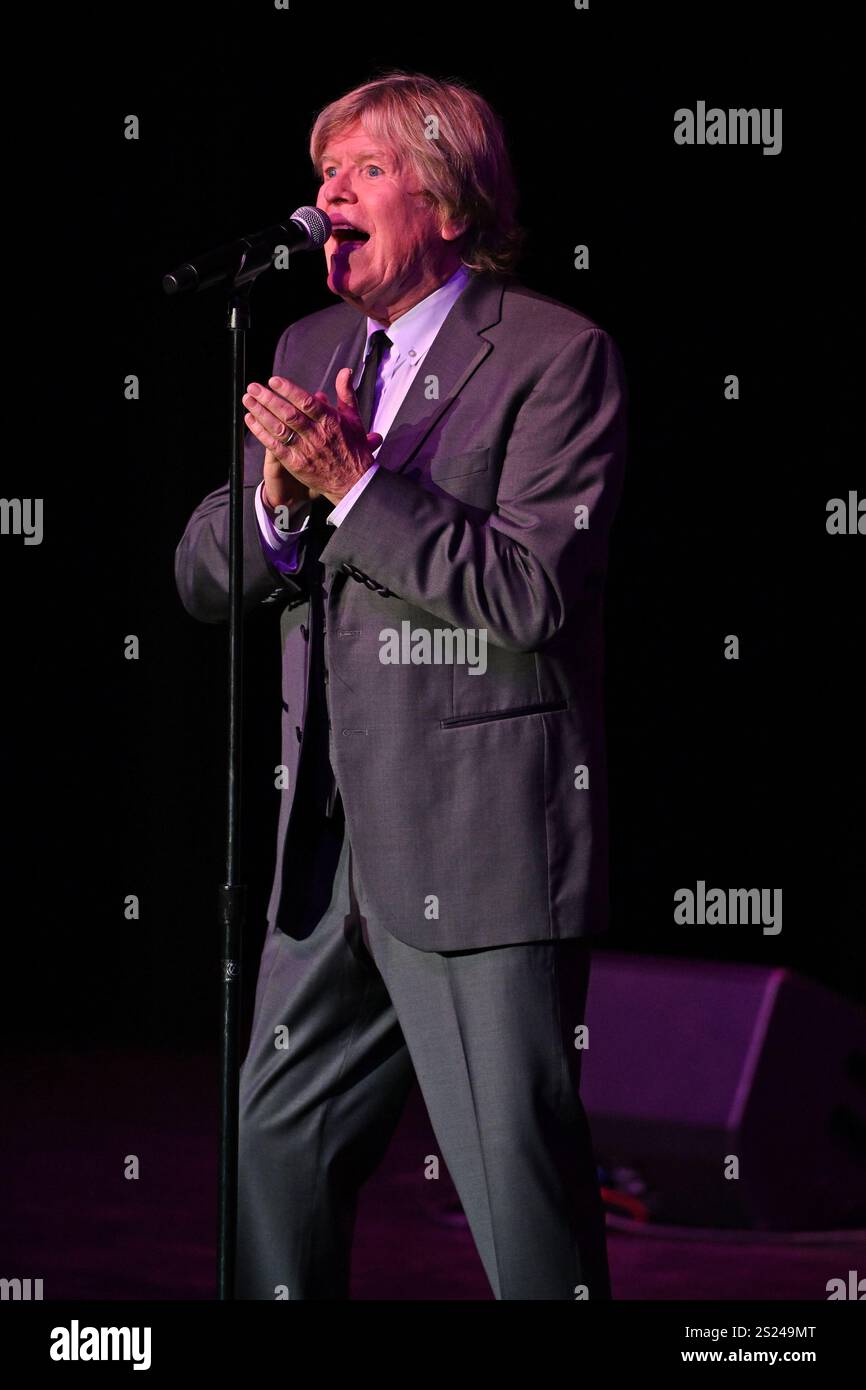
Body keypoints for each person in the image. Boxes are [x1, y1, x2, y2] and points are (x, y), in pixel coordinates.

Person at [174, 70, 627, 1301]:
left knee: (513, 1184)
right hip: (320, 861)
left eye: (360, 170)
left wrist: (361, 493)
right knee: (272, 1149)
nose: (325, 195)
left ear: (445, 198)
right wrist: (275, 503)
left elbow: (531, 594)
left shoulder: (554, 355)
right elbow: (203, 575)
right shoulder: (306, 346)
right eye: (320, 173)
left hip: (475, 842)